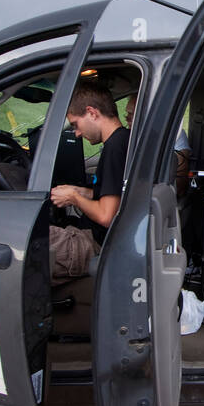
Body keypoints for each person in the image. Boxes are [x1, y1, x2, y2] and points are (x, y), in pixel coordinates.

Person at [49, 81, 129, 282]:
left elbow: (106, 215)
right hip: (101, 237)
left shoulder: (114, 149)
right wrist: (80, 191)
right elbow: (115, 194)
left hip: (96, 242)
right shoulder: (123, 139)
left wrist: (74, 197)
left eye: (76, 124)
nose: (76, 133)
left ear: (92, 113)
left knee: (29, 245)